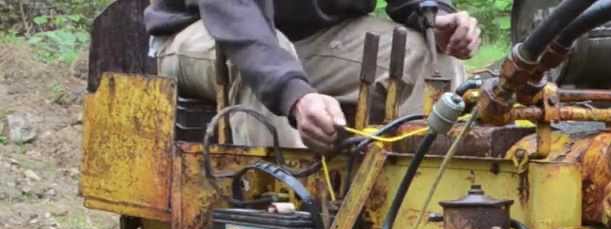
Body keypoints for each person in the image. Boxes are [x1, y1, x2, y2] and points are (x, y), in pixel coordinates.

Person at [144, 1, 482, 150]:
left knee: (426, 57)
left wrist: (433, 15)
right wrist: (295, 94)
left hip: (309, 38)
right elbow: (237, 16)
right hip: (199, 30)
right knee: (267, 59)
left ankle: (411, 218)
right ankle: (282, 226)